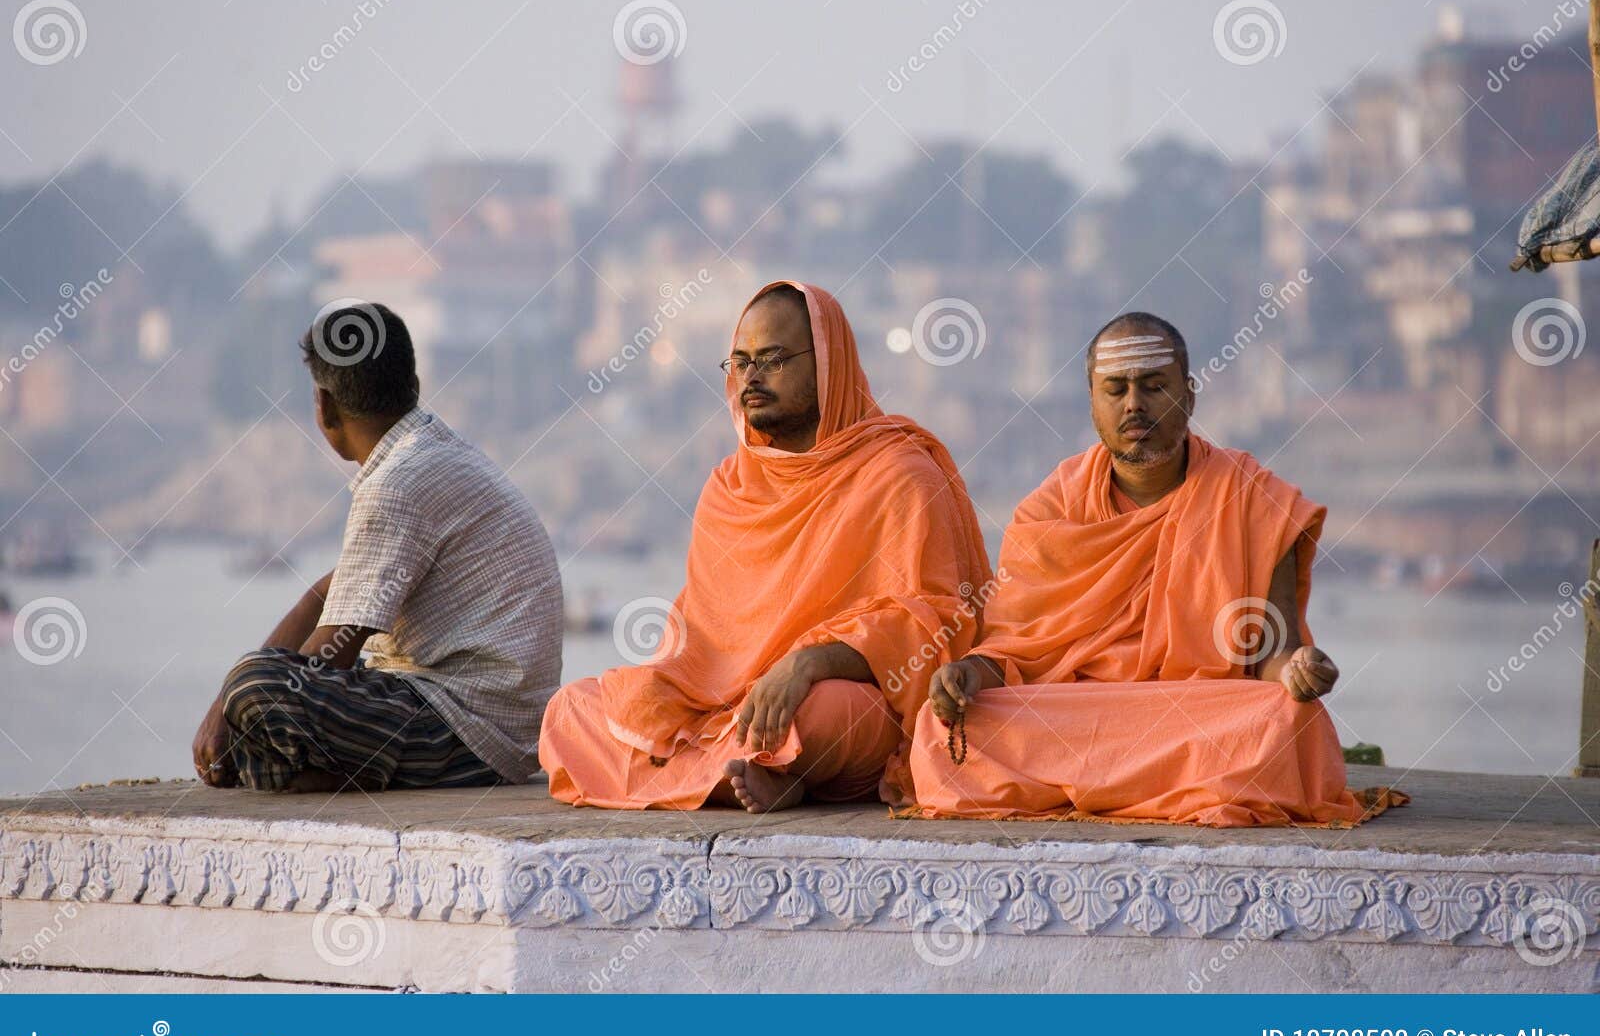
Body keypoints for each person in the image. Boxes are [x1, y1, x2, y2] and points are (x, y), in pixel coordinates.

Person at [910, 312, 1406, 826]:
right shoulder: (1049, 511)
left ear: (1188, 397)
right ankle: (1175, 790)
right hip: (1080, 719)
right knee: (942, 730)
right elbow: (1013, 655)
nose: (1133, 405)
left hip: (1196, 719)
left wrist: (1297, 672)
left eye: (1153, 387)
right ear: (1093, 403)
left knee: (1285, 720)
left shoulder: (1251, 497)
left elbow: (1270, 653)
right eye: (1115, 389)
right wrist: (967, 675)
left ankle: (1091, 788)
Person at [539, 281, 992, 812]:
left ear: (828, 363)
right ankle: (762, 769)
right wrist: (666, 688)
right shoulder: (730, 487)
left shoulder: (899, 475)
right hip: (729, 706)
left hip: (834, 700)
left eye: (773, 360)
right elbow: (703, 637)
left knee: (827, 715)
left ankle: (738, 768)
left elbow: (933, 623)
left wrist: (806, 665)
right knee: (570, 710)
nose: (751, 378)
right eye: (740, 362)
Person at [191, 302, 562, 793]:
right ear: (414, 383)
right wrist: (230, 708)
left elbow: (330, 656)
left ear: (323, 405)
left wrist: (233, 705)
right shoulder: (425, 453)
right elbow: (332, 593)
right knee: (254, 689)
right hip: (485, 722)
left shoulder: (399, 482)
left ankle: (310, 771)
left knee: (256, 684)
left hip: (468, 732)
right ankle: (308, 770)